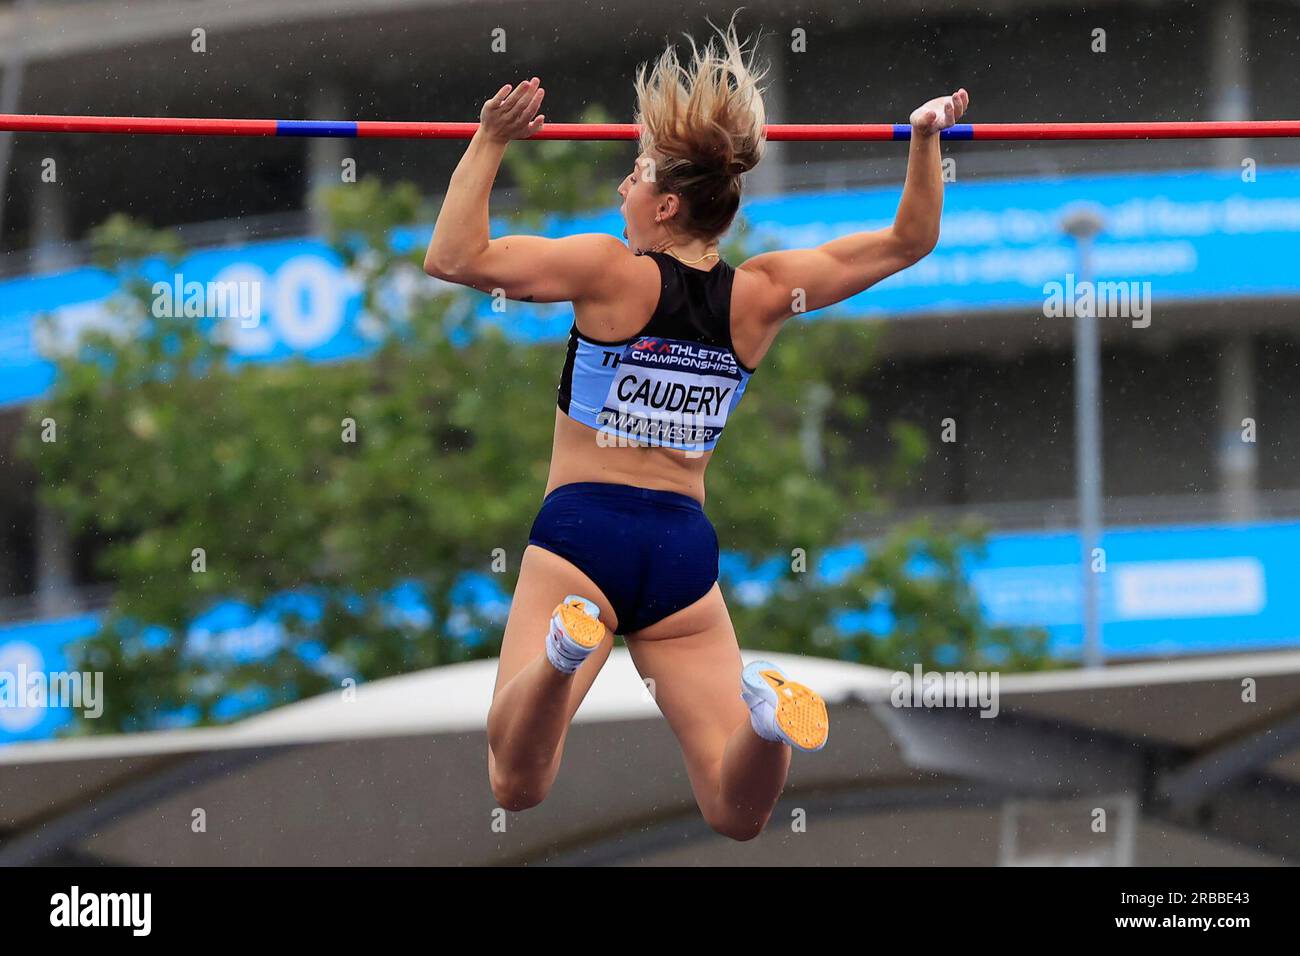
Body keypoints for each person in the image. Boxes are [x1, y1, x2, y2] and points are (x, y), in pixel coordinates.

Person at [424, 17, 967, 841]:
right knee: (734, 810)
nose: (622, 190)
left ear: (667, 202)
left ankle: (567, 654)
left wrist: (490, 139)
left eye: (634, 176)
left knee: (517, 781)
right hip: (681, 552)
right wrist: (925, 137)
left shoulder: (609, 271)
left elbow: (454, 256)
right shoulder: (762, 292)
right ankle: (768, 722)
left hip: (583, 534)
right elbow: (909, 241)